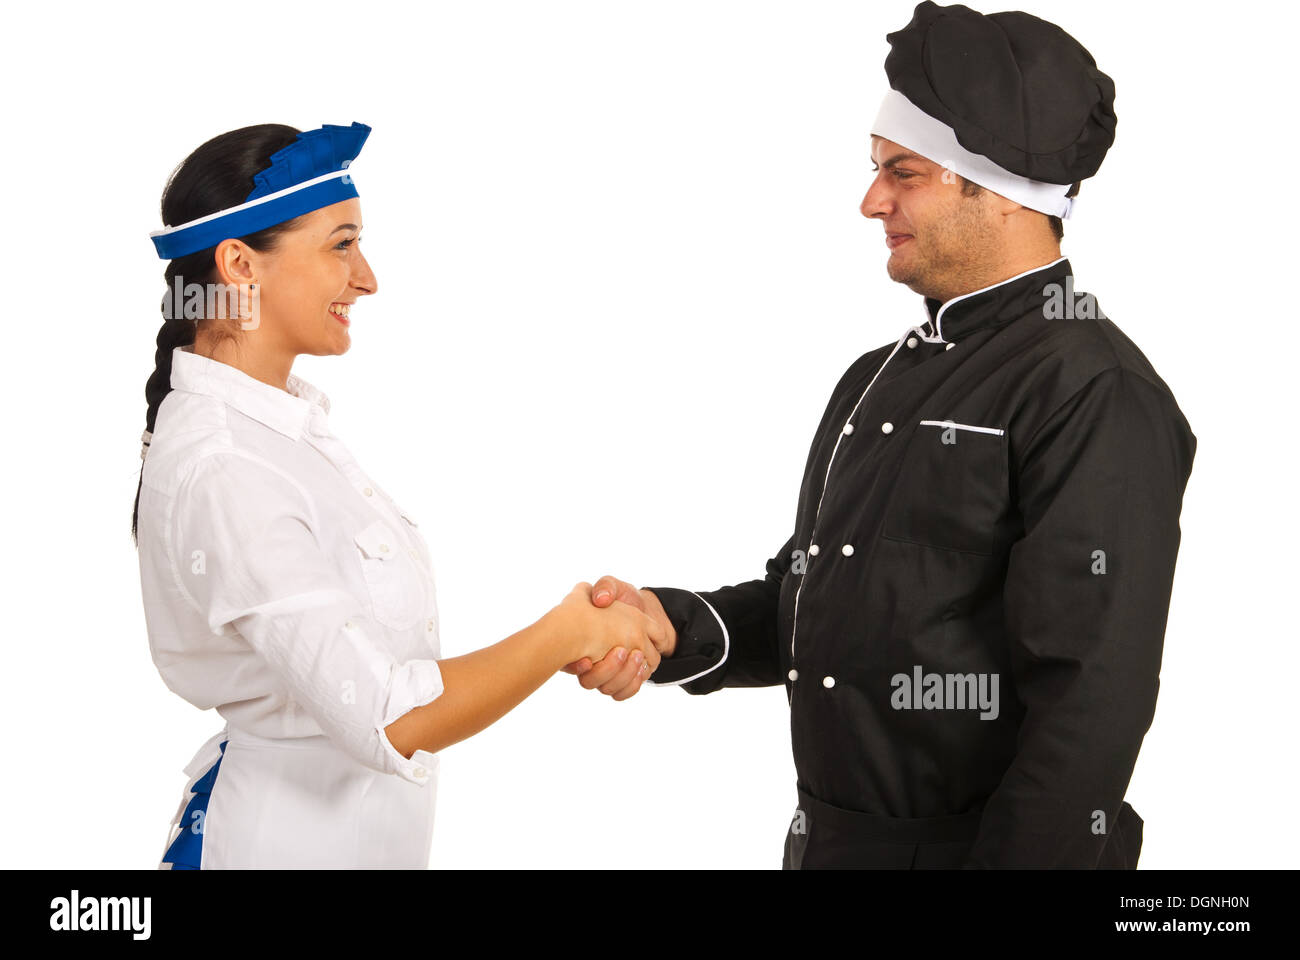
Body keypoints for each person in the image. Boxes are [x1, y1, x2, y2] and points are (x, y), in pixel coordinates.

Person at [567, 0, 1197, 868]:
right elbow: (815, 603)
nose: (871, 201)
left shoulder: (1094, 389)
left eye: (903, 172)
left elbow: (1090, 708)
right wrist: (673, 625)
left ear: (1003, 189)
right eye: (876, 169)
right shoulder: (874, 377)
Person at [133, 122, 664, 869]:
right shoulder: (227, 466)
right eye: (341, 245)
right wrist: (564, 635)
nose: (368, 277)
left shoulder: (280, 434)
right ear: (238, 264)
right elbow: (387, 716)